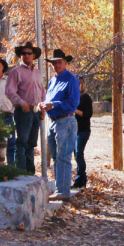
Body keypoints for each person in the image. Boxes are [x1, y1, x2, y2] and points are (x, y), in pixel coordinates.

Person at [39, 49, 79, 201]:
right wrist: (44, 105)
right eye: (54, 63)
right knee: (56, 156)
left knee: (64, 156)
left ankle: (63, 192)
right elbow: (49, 99)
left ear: (65, 63)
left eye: (59, 62)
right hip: (53, 121)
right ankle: (59, 189)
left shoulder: (72, 80)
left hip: (66, 121)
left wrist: (53, 105)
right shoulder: (53, 80)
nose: (57, 65)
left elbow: (73, 103)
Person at [6, 41, 43, 173]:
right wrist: (22, 103)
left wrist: (42, 109)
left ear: (34, 55)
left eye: (29, 53)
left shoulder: (38, 73)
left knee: (32, 143)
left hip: (36, 111)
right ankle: (20, 172)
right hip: (23, 111)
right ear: (20, 55)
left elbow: (41, 92)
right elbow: (10, 91)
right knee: (21, 142)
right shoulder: (16, 72)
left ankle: (30, 171)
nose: (26, 56)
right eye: (23, 53)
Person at [0, 57, 16, 164]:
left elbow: (15, 94)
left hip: (8, 114)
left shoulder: (9, 80)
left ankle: (11, 165)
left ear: (3, 67)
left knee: (11, 141)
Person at [73, 76, 93, 188]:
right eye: (76, 84)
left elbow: (88, 114)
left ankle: (79, 179)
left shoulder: (86, 98)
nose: (78, 86)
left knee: (79, 153)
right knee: (76, 154)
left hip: (83, 130)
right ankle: (83, 180)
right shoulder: (72, 97)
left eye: (80, 84)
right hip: (73, 130)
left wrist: (75, 111)